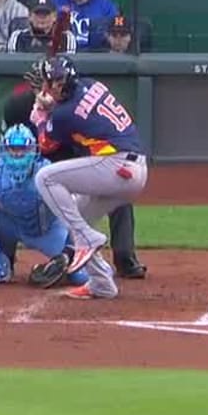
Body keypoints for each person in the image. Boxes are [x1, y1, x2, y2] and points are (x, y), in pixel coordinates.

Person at [30, 56, 148, 300]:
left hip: (117, 165)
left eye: (52, 83)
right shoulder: (92, 84)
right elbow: (80, 112)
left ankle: (86, 237)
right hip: (134, 169)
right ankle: (101, 283)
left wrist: (40, 118)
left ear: (65, 82)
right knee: (77, 215)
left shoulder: (64, 113)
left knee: (45, 178)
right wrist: (50, 108)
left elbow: (46, 145)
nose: (48, 87)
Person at [0, 125, 91, 289]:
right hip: (8, 226)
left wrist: (69, 250)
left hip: (45, 230)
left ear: (33, 149)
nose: (18, 154)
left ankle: (83, 265)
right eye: (13, 149)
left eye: (23, 149)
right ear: (4, 149)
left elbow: (73, 210)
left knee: (81, 277)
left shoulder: (47, 171)